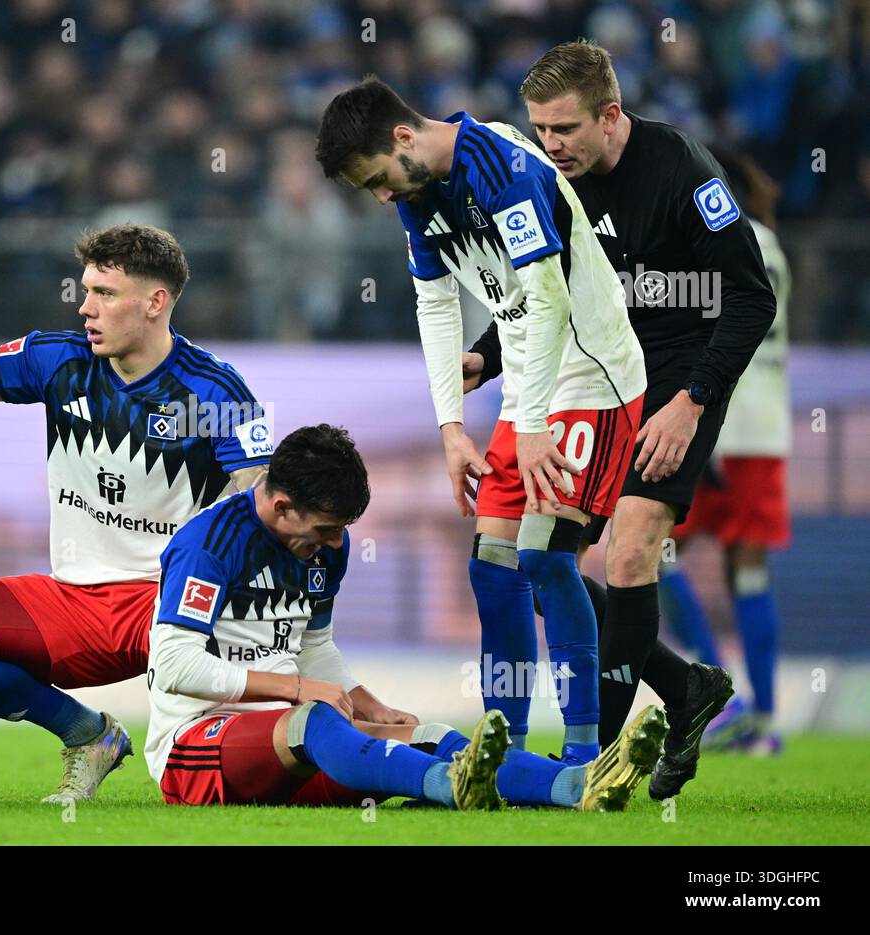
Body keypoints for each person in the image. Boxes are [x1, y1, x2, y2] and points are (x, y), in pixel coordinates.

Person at [0, 223, 300, 802]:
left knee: (232, 766)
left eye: (105, 293)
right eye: (86, 290)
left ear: (155, 302)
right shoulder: (59, 361)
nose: (86, 307)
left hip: (166, 605)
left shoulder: (214, 392)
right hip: (73, 600)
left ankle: (366, 755)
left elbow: (258, 502)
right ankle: (89, 734)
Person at [463, 41, 777, 797]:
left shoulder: (682, 169)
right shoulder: (547, 182)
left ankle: (594, 757)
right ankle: (686, 685)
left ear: (612, 116)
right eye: (539, 128)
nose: (550, 145)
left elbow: (752, 297)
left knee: (632, 553)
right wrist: (483, 356)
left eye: (566, 128)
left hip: (675, 380)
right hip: (596, 378)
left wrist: (695, 399)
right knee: (546, 563)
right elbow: (544, 292)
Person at [315, 77, 648, 768]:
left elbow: (550, 294)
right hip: (528, 386)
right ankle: (511, 752)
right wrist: (450, 426)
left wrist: (529, 425)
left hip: (590, 378)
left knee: (546, 557)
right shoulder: (418, 196)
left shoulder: (503, 162)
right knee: (493, 568)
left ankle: (586, 755)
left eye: (377, 179)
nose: (381, 196)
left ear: (403, 138)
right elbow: (436, 307)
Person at [146, 424, 668, 811]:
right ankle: (453, 786)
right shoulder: (208, 545)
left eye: (342, 528)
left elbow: (314, 645)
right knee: (316, 720)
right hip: (197, 746)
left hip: (294, 741)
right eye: (327, 528)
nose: (335, 542)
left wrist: (370, 702)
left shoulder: (327, 546)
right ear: (282, 507)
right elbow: (174, 668)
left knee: (426, 731)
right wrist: (297, 689)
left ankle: (579, 786)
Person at [658, 148, 791, 756]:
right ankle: (762, 722)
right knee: (749, 573)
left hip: (717, 423)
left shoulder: (723, 240)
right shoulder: (771, 243)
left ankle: (719, 693)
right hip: (764, 432)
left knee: (651, 552)